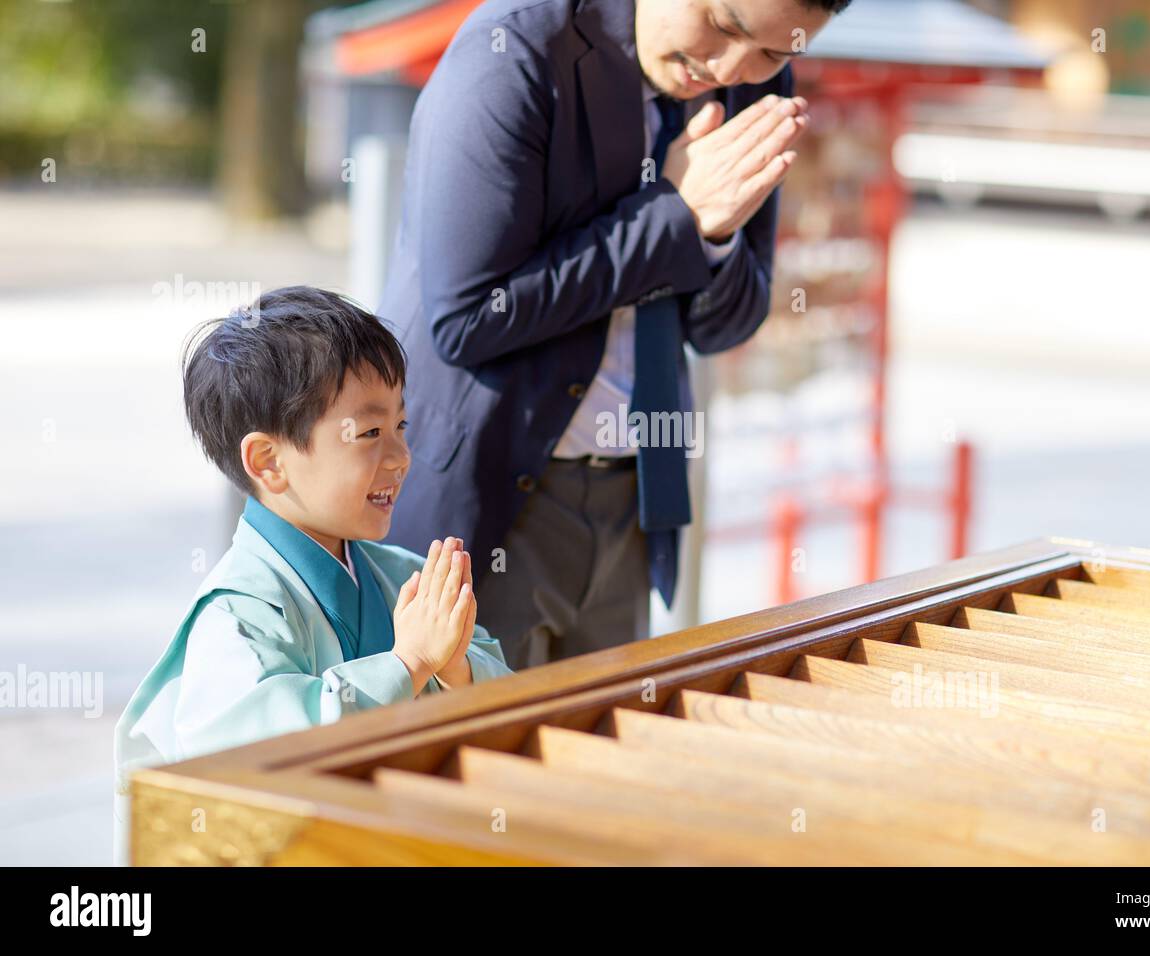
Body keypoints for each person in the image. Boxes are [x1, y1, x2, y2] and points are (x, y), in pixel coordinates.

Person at [381, 0, 849, 669]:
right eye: (723, 25)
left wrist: (711, 234)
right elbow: (470, 317)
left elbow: (728, 323)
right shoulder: (510, 54)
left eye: (775, 52)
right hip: (488, 495)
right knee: (475, 761)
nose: (729, 69)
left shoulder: (753, 85)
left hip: (634, 499)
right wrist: (675, 218)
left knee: (597, 756)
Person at [112, 286, 512, 864]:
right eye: (370, 433)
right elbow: (256, 749)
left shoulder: (408, 579)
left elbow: (514, 706)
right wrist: (408, 666)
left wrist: (458, 669)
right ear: (269, 462)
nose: (401, 456)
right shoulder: (236, 614)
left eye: (401, 425)